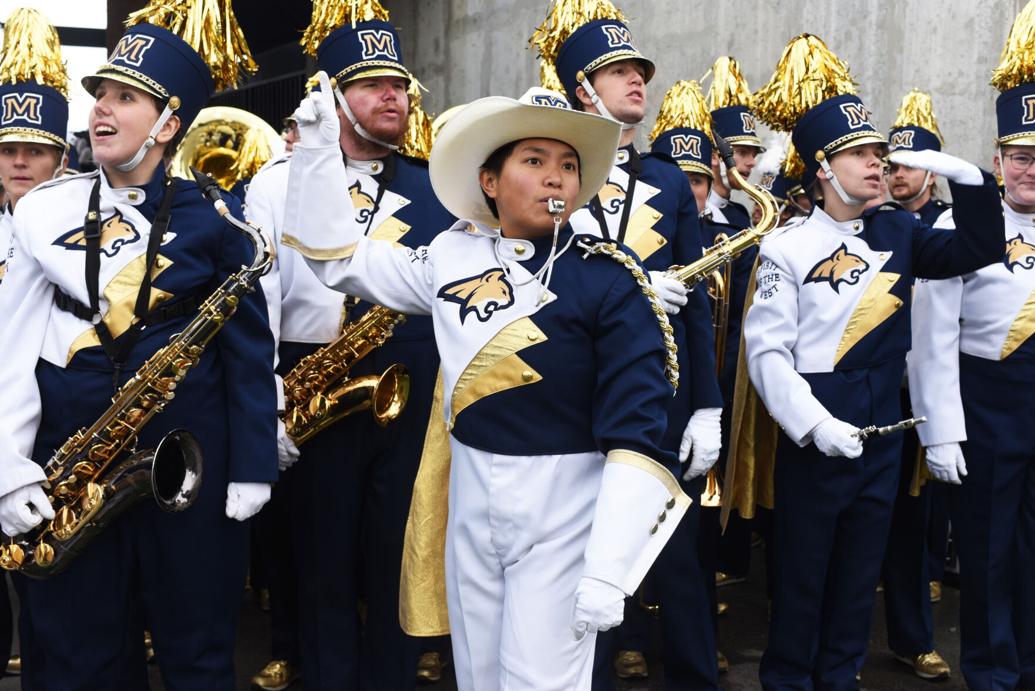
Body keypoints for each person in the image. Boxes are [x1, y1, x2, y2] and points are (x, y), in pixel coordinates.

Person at [282, 72, 691, 691]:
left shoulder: (611, 279)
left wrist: (610, 567)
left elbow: (638, 428)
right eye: (534, 159)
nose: (556, 175)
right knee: (477, 676)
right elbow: (340, 260)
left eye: (568, 164)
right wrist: (317, 154)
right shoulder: (451, 256)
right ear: (490, 183)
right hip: (470, 500)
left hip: (565, 508)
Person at [0, 1, 277, 687]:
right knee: (79, 656)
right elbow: (10, 343)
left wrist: (252, 466)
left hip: (191, 469)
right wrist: (7, 466)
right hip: (74, 462)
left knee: (198, 651)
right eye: (101, 94)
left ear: (169, 122)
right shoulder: (42, 211)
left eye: (126, 98)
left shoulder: (216, 215)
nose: (102, 110)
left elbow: (247, 352)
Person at [745, 33, 1004, 689]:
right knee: (803, 572)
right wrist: (811, 423)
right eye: (859, 155)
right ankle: (786, 678)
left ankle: (838, 675)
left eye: (876, 153)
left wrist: (965, 175)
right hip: (817, 428)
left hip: (883, 431)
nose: (876, 165)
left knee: (861, 574)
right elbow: (767, 354)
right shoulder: (788, 247)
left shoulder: (899, 232)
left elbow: (974, 247)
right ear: (822, 170)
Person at [246, 3, 456, 687]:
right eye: (371, 85)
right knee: (321, 562)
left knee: (398, 555)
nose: (392, 96)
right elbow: (261, 297)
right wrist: (268, 396)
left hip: (414, 385)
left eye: (398, 84)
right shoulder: (278, 183)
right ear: (332, 96)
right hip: (313, 382)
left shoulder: (436, 186)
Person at [530, 3, 723, 687]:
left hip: (661, 401)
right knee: (582, 568)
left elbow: (697, 300)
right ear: (582, 89)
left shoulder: (670, 179)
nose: (637, 81)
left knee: (678, 563)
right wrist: (639, 284)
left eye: (639, 70)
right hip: (571, 399)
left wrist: (708, 405)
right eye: (617, 71)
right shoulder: (549, 176)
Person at [908, 4, 1035, 688]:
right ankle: (989, 669)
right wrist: (940, 431)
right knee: (984, 552)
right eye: (1018, 157)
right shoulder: (960, 221)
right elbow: (930, 337)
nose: (1028, 170)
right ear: (995, 159)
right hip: (985, 404)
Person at [0, 8, 71, 678]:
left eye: (36, 149)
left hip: (57, 438)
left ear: (61, 156)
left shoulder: (84, 234)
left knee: (58, 603)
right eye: (7, 148)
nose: (19, 161)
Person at [879, 88, 953, 681]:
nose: (894, 174)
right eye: (890, 164)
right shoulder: (873, 221)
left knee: (911, 524)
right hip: (867, 391)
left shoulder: (943, 227)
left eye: (905, 166)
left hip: (918, 396)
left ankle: (910, 637)